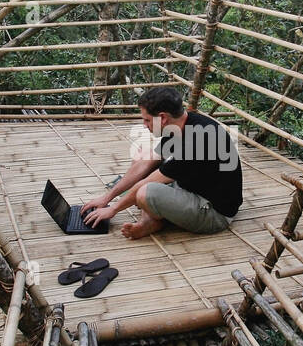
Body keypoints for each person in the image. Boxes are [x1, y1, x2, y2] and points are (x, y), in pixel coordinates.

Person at [81, 86, 243, 239]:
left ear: (163, 118)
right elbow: (146, 163)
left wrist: (113, 209)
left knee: (145, 192)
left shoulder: (197, 142)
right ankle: (153, 219)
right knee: (142, 156)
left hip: (213, 213)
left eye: (147, 120)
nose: (144, 126)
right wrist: (106, 198)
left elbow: (148, 183)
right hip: (193, 189)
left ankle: (150, 222)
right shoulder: (181, 124)